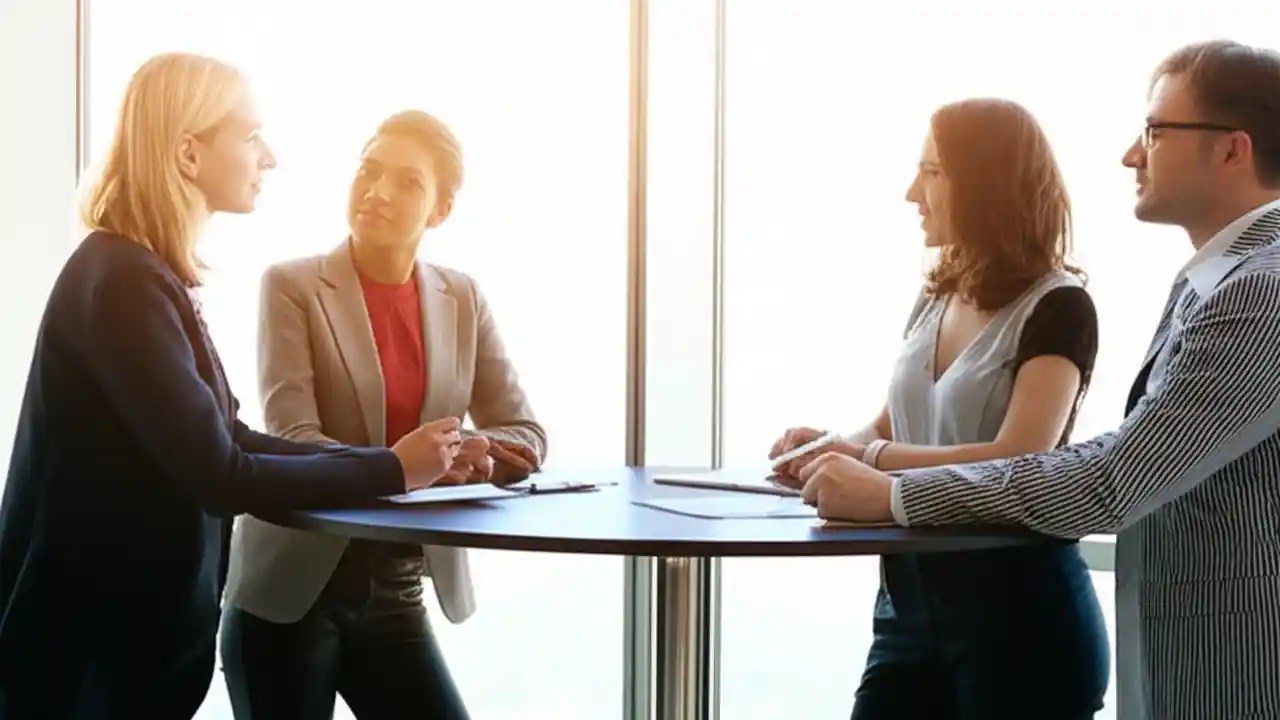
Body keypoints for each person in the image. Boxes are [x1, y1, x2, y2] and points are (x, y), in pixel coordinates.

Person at [797, 40, 1280, 720]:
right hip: (1185, 650)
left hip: (1234, 663)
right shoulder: (1217, 279)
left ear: (1233, 150)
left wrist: (894, 493)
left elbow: (1114, 480)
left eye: (1154, 132)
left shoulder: (1260, 288)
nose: (1131, 155)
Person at [0, 54, 465, 719]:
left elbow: (233, 438)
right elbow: (220, 472)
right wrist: (392, 468)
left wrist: (398, 462)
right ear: (189, 154)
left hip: (107, 662)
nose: (267, 156)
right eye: (249, 136)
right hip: (85, 671)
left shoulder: (144, 275)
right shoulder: (124, 284)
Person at [770, 98, 1108, 719]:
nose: (911, 193)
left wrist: (868, 458)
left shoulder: (1059, 307)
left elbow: (1020, 455)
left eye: (931, 172)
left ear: (984, 182)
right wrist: (822, 448)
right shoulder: (939, 291)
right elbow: (891, 423)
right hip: (908, 608)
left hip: (1021, 620)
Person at [221, 110, 546, 719]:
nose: (377, 191)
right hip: (293, 590)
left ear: (440, 211)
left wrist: (466, 451)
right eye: (369, 170)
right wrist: (405, 466)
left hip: (397, 589)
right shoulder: (292, 286)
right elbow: (295, 435)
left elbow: (525, 432)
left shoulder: (462, 296)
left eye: (407, 181)